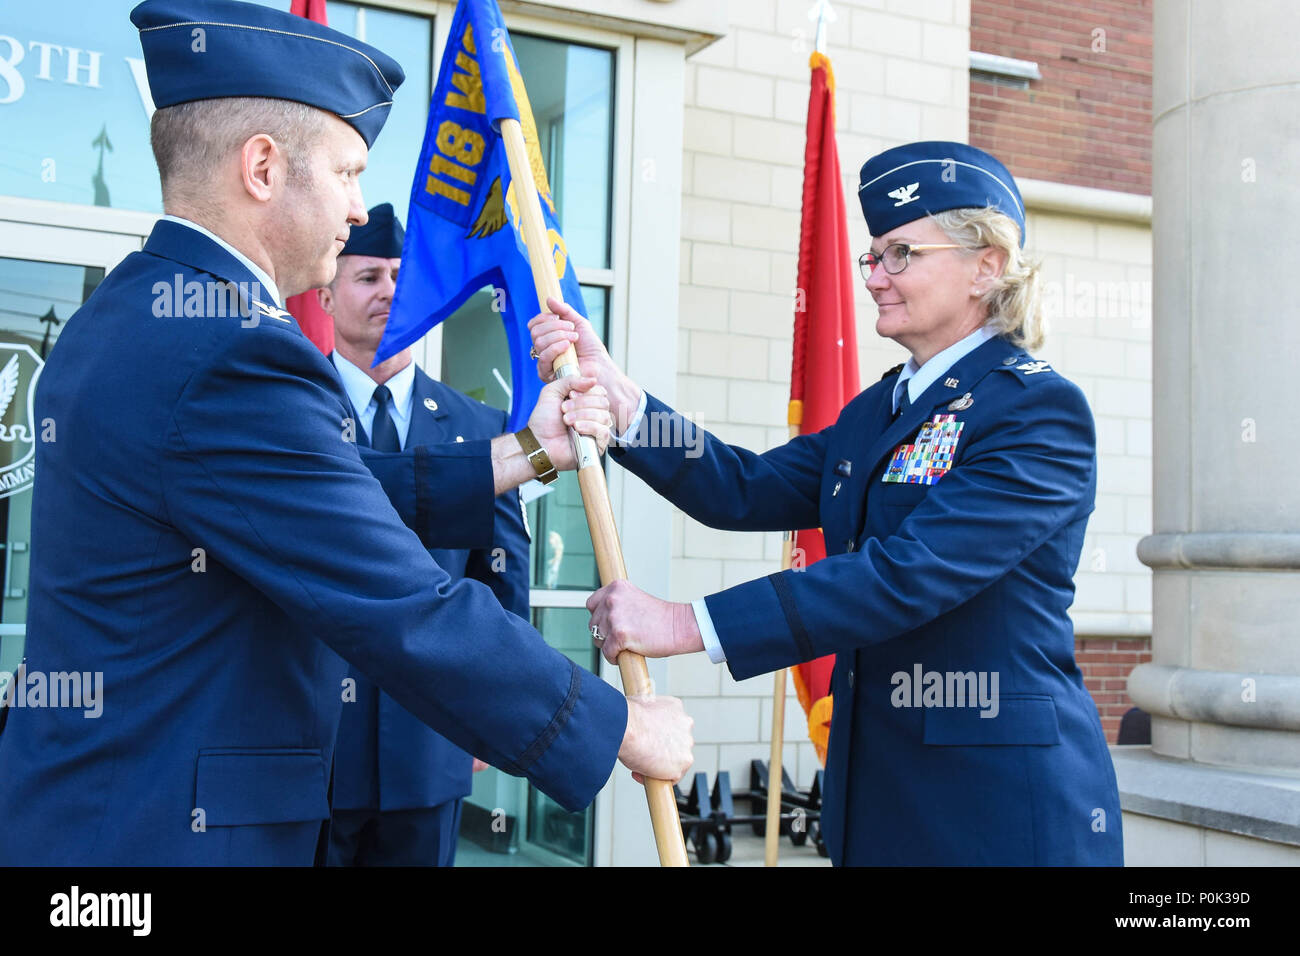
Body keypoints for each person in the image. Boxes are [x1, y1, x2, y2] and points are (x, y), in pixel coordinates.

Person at [0, 0, 691, 866]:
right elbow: (398, 598)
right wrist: (617, 726)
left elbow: (324, 493)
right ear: (262, 166)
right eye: (347, 172)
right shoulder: (231, 350)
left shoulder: (132, 312)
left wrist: (528, 451)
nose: (358, 208)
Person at [530, 141, 1124, 866]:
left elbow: (905, 574)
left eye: (900, 253)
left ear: (987, 265)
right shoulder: (880, 408)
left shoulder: (1037, 411)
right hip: (876, 796)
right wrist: (629, 411)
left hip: (994, 807)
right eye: (871, 256)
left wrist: (685, 623)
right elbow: (743, 486)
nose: (873, 276)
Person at [317, 204, 531, 867]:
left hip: (429, 747)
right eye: (367, 277)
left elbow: (500, 588)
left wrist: (491, 710)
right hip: (308, 747)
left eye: (402, 279)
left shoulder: (479, 428)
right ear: (326, 292)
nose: (388, 292)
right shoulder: (291, 410)